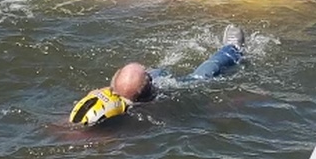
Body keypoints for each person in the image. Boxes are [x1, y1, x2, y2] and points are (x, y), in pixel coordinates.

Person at [70, 27, 245, 127]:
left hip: (144, 85)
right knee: (200, 77)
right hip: (154, 86)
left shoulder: (103, 97)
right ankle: (233, 49)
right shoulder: (156, 102)